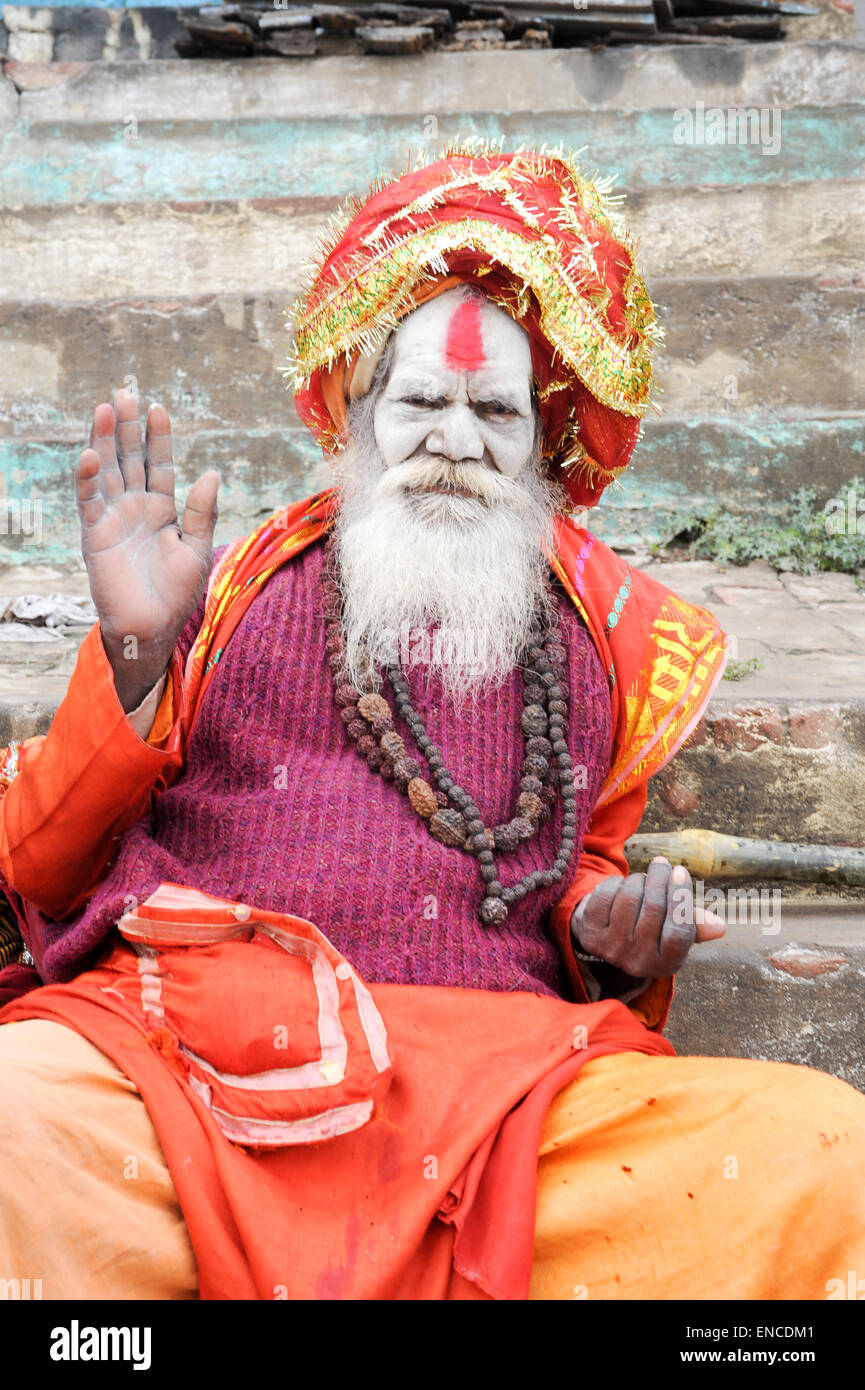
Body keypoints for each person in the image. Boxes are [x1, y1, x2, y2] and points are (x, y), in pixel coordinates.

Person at [0, 146, 862, 1301]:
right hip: (196, 1062)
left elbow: (571, 881)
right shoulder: (225, 593)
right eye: (419, 402)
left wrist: (607, 934)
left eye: (492, 410)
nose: (453, 438)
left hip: (499, 1096)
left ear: (543, 446)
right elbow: (39, 858)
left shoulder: (609, 645)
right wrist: (136, 654)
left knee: (820, 1157)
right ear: (356, 415)